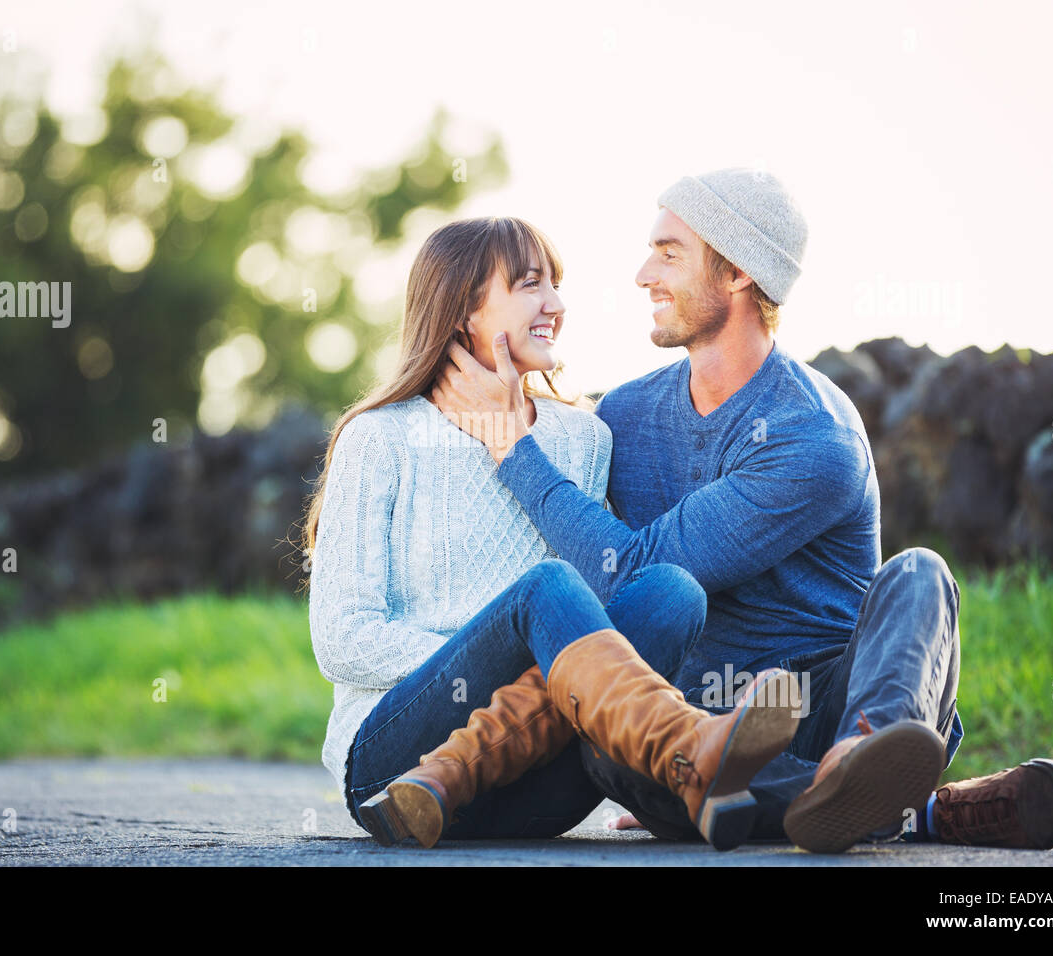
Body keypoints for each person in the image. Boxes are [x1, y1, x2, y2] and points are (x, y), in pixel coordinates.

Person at [430, 168, 1053, 853]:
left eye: (669, 252)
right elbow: (595, 572)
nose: (644, 273)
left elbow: (637, 568)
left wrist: (515, 451)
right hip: (702, 734)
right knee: (605, 752)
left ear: (738, 273)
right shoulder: (624, 414)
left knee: (920, 574)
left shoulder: (812, 436)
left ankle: (862, 759)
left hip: (827, 706)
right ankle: (893, 808)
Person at [303, 216, 800, 852]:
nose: (556, 306)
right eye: (531, 285)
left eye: (556, 286)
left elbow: (606, 588)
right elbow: (342, 640)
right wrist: (505, 656)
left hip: (532, 791)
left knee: (672, 592)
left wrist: (548, 659)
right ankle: (694, 750)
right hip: (389, 770)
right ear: (463, 310)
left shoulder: (581, 438)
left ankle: (463, 776)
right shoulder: (381, 438)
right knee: (546, 591)